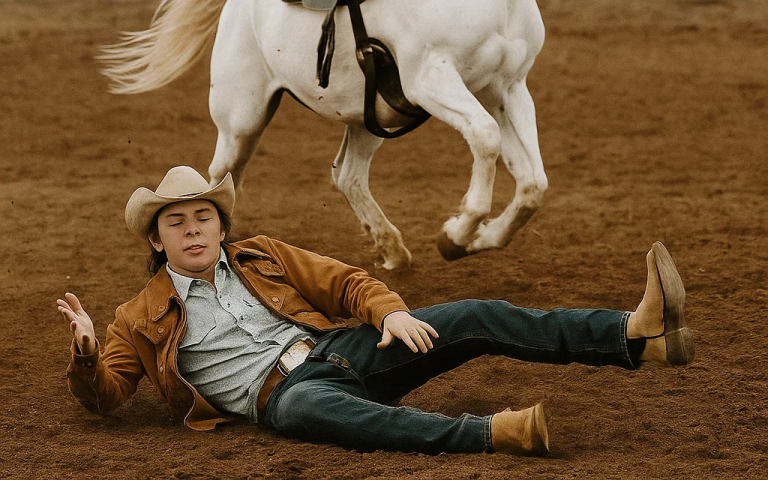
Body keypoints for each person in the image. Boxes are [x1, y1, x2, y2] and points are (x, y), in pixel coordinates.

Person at [58, 166, 694, 455]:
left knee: (470, 313)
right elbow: (109, 396)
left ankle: (634, 336)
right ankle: (493, 433)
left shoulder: (261, 255)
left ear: (221, 226)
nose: (195, 230)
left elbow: (345, 284)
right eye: (178, 222)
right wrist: (87, 356)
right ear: (155, 239)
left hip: (342, 350)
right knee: (311, 410)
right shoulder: (136, 316)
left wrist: (388, 313)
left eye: (205, 217)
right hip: (280, 395)